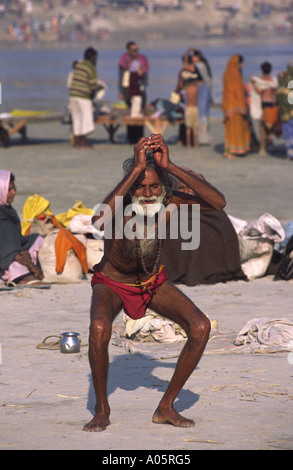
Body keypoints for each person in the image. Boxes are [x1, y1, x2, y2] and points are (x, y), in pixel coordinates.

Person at [83, 134, 226, 432]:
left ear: (163, 189)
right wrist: (135, 169)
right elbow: (97, 223)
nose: (147, 193)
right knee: (99, 329)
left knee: (200, 326)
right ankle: (101, 408)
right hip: (112, 283)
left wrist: (170, 165)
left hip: (150, 281)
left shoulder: (169, 199)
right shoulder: (121, 204)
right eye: (141, 187)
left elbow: (217, 203)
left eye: (153, 186)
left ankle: (165, 407)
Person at [161, 168, 247, 286]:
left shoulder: (213, 211)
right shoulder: (170, 212)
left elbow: (223, 227)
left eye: (190, 188)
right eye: (182, 188)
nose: (187, 191)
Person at [0, 170, 49, 289]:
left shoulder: (7, 210)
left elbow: (15, 238)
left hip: (9, 251)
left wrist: (20, 254)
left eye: (14, 188)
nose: (14, 192)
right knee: (6, 228)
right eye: (9, 190)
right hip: (5, 254)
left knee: (35, 238)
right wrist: (30, 265)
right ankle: (20, 274)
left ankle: (18, 263)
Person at [118, 41, 150, 142]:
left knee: (140, 111)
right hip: (128, 89)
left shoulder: (142, 59)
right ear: (128, 50)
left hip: (139, 89)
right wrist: (121, 91)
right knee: (130, 112)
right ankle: (131, 137)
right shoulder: (124, 60)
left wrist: (144, 85)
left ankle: (140, 137)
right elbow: (121, 77)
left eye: (136, 50)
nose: (135, 52)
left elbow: (145, 75)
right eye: (133, 50)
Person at [69, 47, 99, 148]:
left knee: (77, 117)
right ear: (93, 57)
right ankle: (83, 142)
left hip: (73, 94)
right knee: (86, 117)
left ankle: (77, 142)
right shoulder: (91, 66)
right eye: (95, 57)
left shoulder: (79, 64)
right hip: (83, 95)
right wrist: (100, 86)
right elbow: (93, 84)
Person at [222, 54, 251, 159]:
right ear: (237, 63)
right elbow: (238, 91)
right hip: (236, 106)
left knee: (229, 130)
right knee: (236, 129)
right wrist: (242, 106)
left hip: (227, 105)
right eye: (241, 63)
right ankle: (233, 152)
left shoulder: (226, 73)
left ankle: (227, 151)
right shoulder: (235, 74)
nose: (242, 66)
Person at [250, 61, 281, 153]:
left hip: (264, 105)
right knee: (271, 123)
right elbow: (276, 91)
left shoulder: (260, 81)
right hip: (272, 104)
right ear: (270, 71)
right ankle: (270, 140)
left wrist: (253, 84)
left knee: (263, 125)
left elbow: (259, 92)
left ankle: (262, 147)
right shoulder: (274, 81)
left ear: (262, 71)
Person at [276, 61, 293, 160]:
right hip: (290, 111)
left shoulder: (283, 79)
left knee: (288, 133)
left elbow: (279, 95)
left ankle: (290, 153)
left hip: (284, 111)